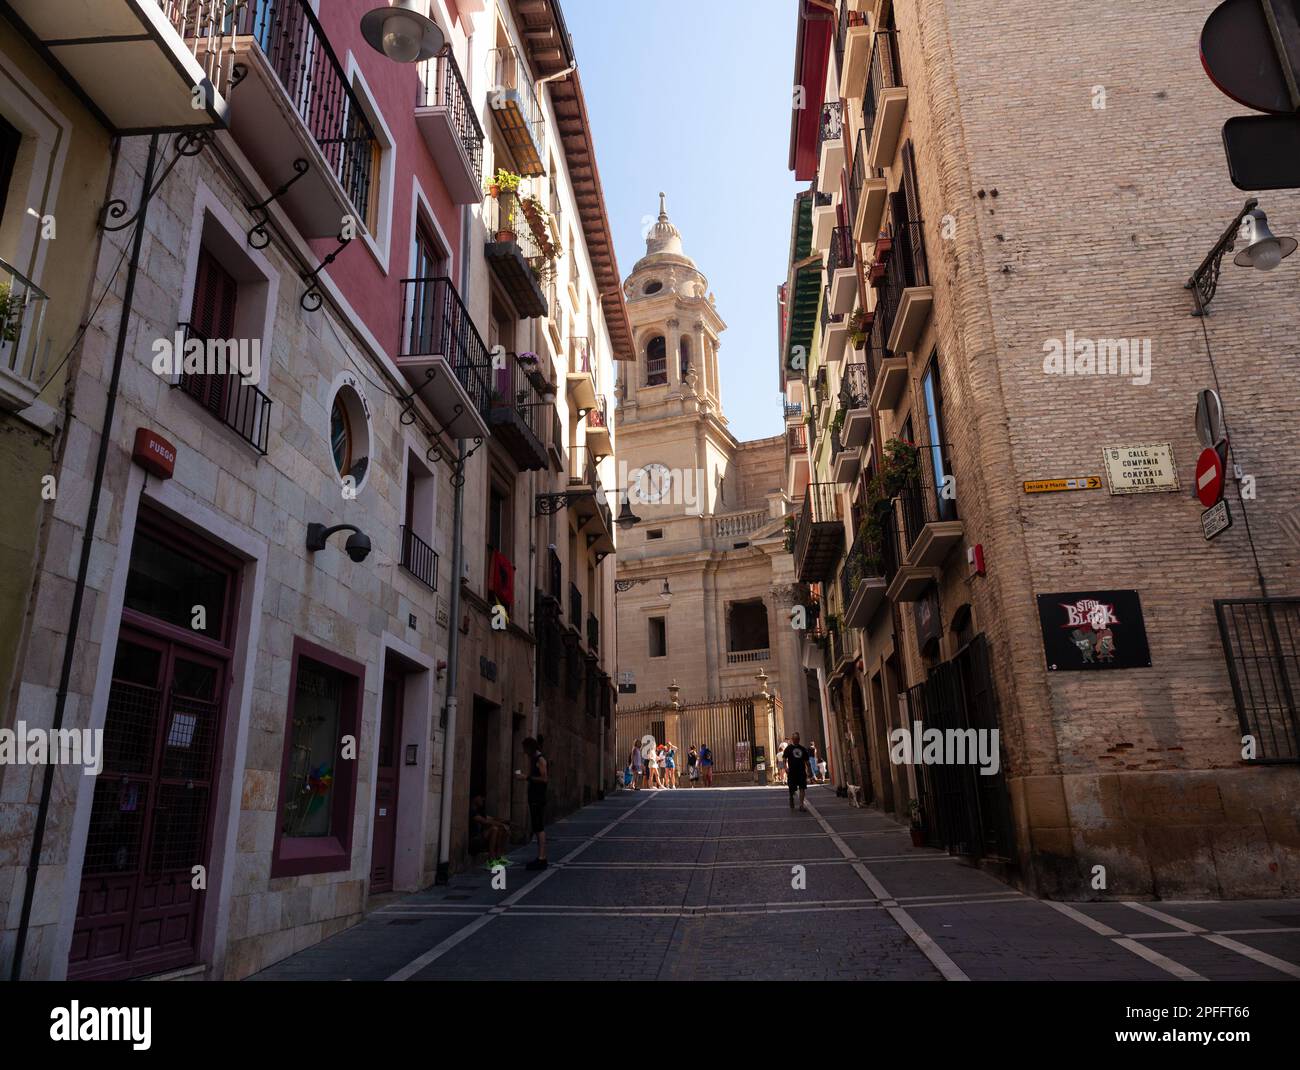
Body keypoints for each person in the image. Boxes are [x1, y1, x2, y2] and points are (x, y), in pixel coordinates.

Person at [515, 737, 549, 869]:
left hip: (538, 798)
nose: (524, 751)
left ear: (530, 747)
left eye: (525, 748)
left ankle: (542, 858)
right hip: (534, 797)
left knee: (539, 828)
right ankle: (541, 857)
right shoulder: (534, 759)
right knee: (537, 827)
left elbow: (544, 779)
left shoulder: (540, 759)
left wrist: (526, 777)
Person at [469, 794, 510, 865]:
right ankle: (491, 859)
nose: (483, 799)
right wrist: (502, 824)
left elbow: (492, 819)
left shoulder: (480, 812)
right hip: (473, 842)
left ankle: (498, 857)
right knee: (494, 829)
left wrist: (506, 822)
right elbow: (485, 821)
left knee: (501, 829)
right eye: (481, 797)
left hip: (481, 840)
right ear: (475, 798)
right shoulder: (471, 811)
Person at [784, 732, 812, 811]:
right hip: (792, 771)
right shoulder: (788, 748)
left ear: (799, 739)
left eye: (798, 739)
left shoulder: (803, 749)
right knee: (792, 788)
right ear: (792, 739)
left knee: (802, 788)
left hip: (801, 771)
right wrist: (786, 767)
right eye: (795, 739)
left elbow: (807, 761)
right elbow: (784, 759)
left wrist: (809, 771)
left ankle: (801, 805)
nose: (796, 740)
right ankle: (791, 797)